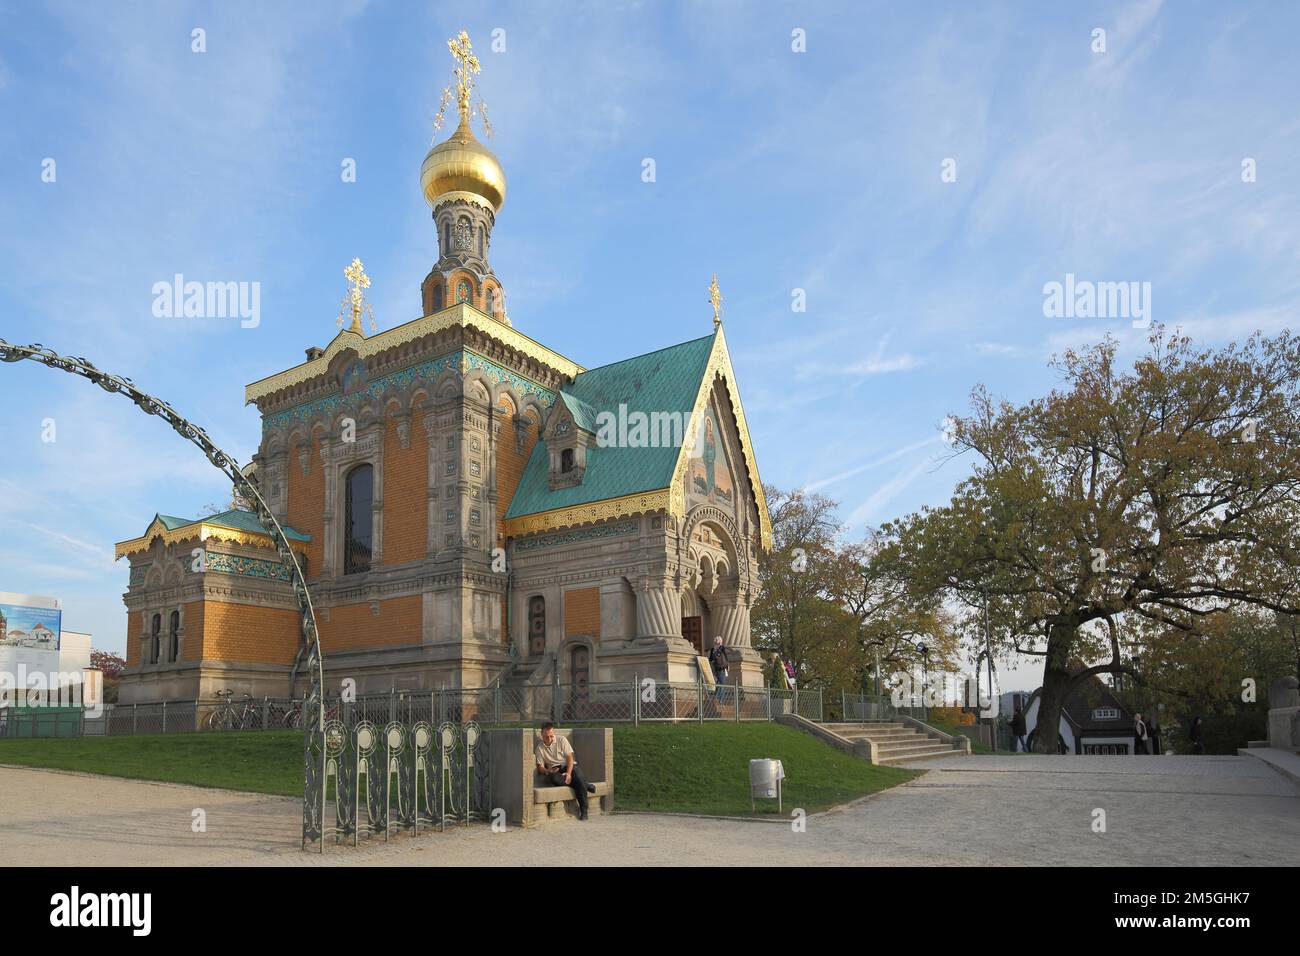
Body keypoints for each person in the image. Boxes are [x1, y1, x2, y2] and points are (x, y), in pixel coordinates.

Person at [534, 722, 596, 820]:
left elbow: (570, 758)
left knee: (578, 777)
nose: (549, 739)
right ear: (541, 734)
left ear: (553, 732)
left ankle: (584, 811)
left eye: (551, 736)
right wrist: (548, 770)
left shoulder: (561, 740)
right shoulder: (539, 748)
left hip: (569, 766)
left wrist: (569, 773)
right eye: (546, 737)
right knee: (554, 779)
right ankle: (586, 784)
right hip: (555, 771)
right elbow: (540, 767)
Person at [708, 636, 729, 701]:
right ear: (721, 642)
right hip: (722, 668)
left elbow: (710, 659)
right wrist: (728, 666)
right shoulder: (722, 648)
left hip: (715, 668)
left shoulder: (712, 649)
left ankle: (717, 698)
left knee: (718, 683)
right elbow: (725, 658)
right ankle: (720, 699)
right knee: (722, 684)